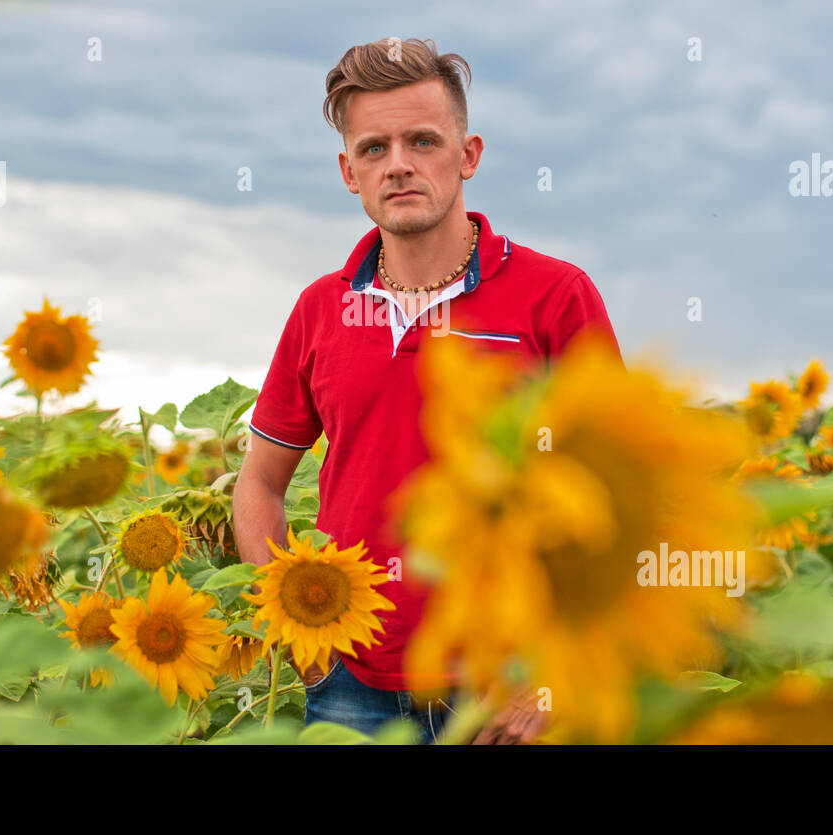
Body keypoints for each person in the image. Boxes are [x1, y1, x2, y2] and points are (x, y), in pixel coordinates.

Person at [232, 37, 624, 744]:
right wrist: (296, 626)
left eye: (422, 140)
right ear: (349, 171)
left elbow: (621, 492)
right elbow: (259, 480)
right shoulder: (321, 308)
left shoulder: (555, 296)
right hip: (351, 685)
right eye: (375, 148)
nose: (400, 164)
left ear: (468, 155)